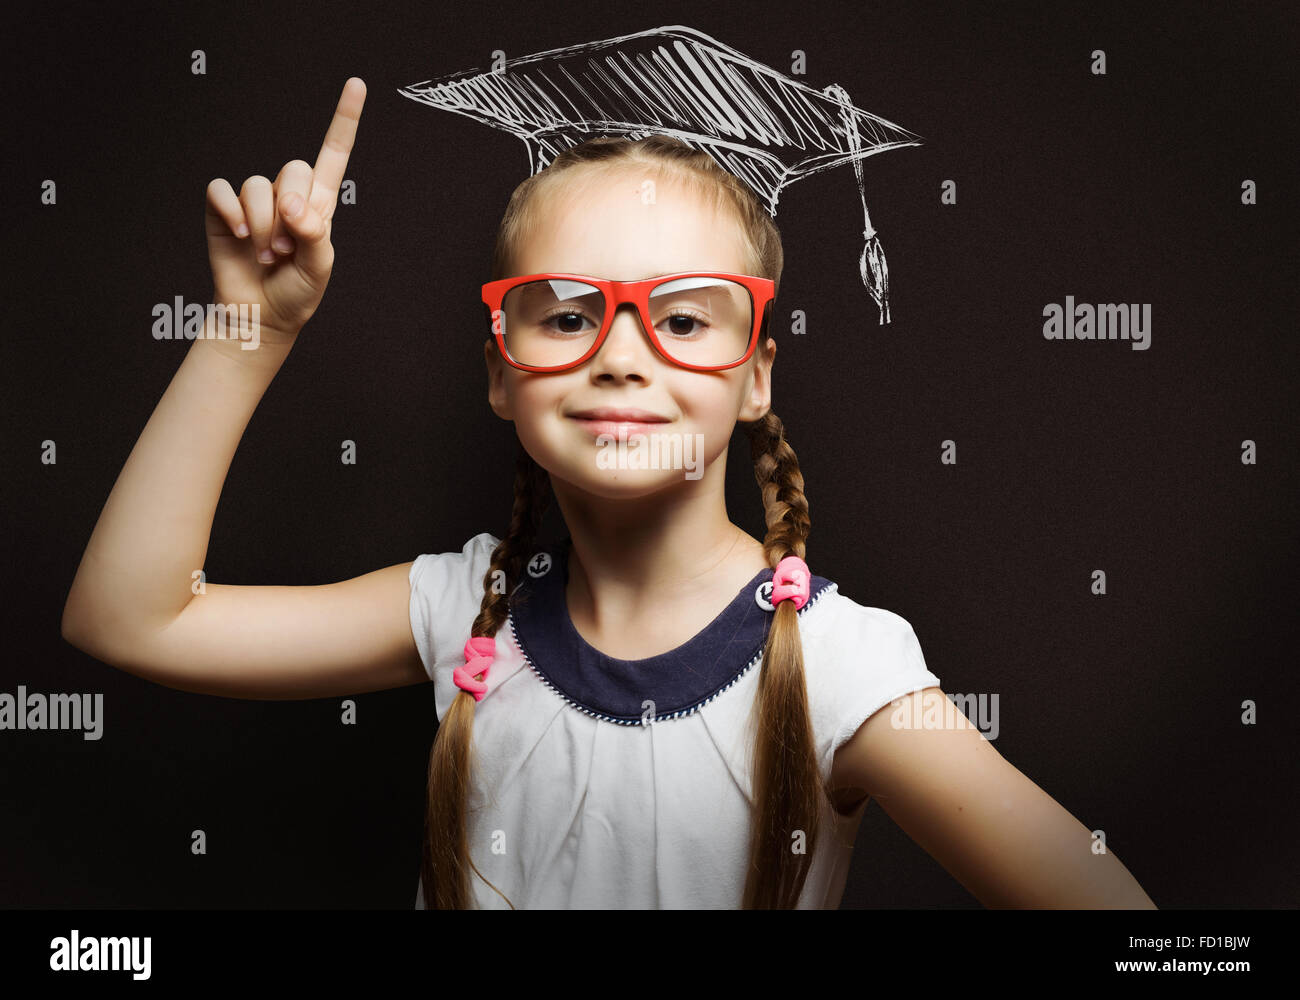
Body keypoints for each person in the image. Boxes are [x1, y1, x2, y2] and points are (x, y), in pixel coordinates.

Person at [61, 77, 1156, 910]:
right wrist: (253, 327)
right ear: (500, 369)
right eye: (567, 312)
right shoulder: (457, 607)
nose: (622, 354)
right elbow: (132, 617)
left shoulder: (842, 665)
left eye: (683, 317)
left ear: (756, 372)